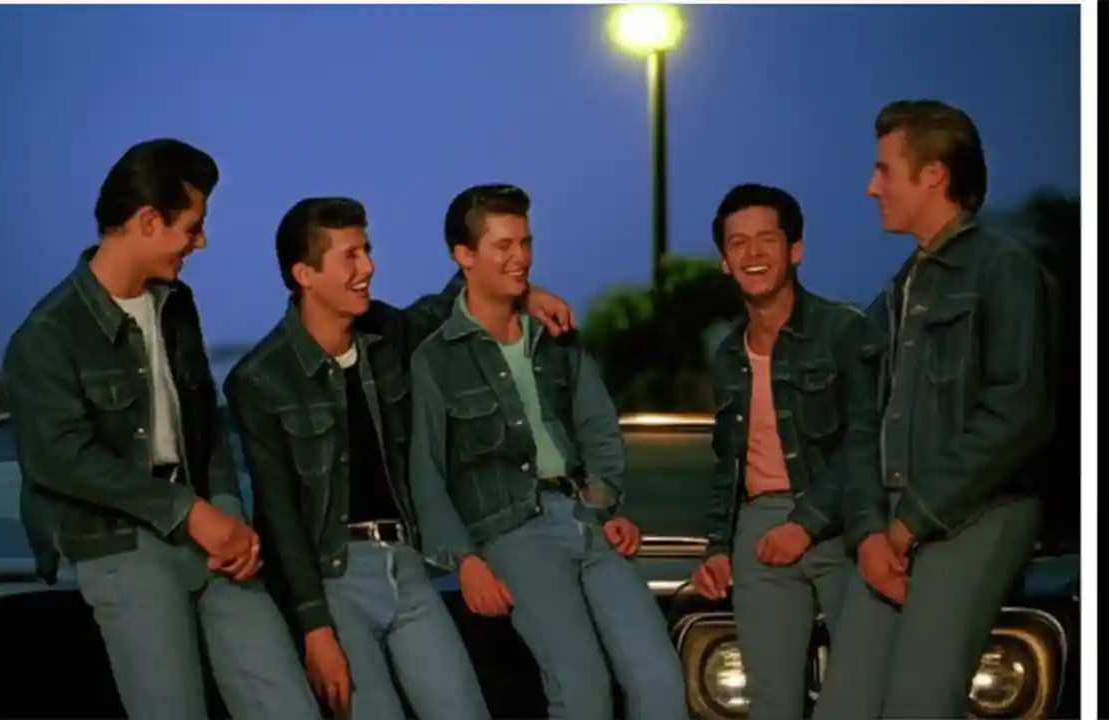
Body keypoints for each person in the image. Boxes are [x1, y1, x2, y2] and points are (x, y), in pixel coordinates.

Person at [2, 138, 320, 720]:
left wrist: (227, 513)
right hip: (119, 544)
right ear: (148, 220)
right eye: (192, 226)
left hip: (208, 531)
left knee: (287, 704)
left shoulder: (177, 305)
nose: (200, 242)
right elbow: (59, 458)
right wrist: (189, 512)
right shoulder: (46, 336)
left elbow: (205, 426)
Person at [223, 196, 575, 719]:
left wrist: (526, 293)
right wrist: (315, 629)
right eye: (350, 256)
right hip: (335, 576)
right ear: (305, 274)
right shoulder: (259, 379)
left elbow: (456, 302)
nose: (369, 268)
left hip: (409, 566)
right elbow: (279, 519)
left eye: (367, 250)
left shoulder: (389, 333)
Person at [812, 99, 1059, 719]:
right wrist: (870, 530)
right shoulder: (896, 293)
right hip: (893, 525)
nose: (871, 187)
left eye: (884, 170)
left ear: (933, 175)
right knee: (845, 704)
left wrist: (909, 522)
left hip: (976, 513)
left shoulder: (1003, 268)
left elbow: (1018, 412)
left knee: (919, 703)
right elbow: (863, 424)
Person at [408, 183, 687, 720]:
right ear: (463, 257)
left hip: (586, 517)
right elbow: (427, 474)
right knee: (582, 689)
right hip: (513, 531)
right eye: (503, 246)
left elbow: (598, 427)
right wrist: (463, 560)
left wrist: (604, 504)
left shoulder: (555, 334)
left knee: (659, 681)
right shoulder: (436, 359)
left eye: (526, 242)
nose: (520, 258)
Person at [689, 183, 880, 719]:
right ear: (725, 261)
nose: (753, 254)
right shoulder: (728, 353)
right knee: (769, 703)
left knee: (860, 694)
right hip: (758, 527)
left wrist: (809, 522)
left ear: (795, 249)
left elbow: (866, 442)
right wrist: (716, 547)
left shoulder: (844, 330)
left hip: (842, 522)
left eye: (766, 240)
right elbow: (726, 461)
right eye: (738, 244)